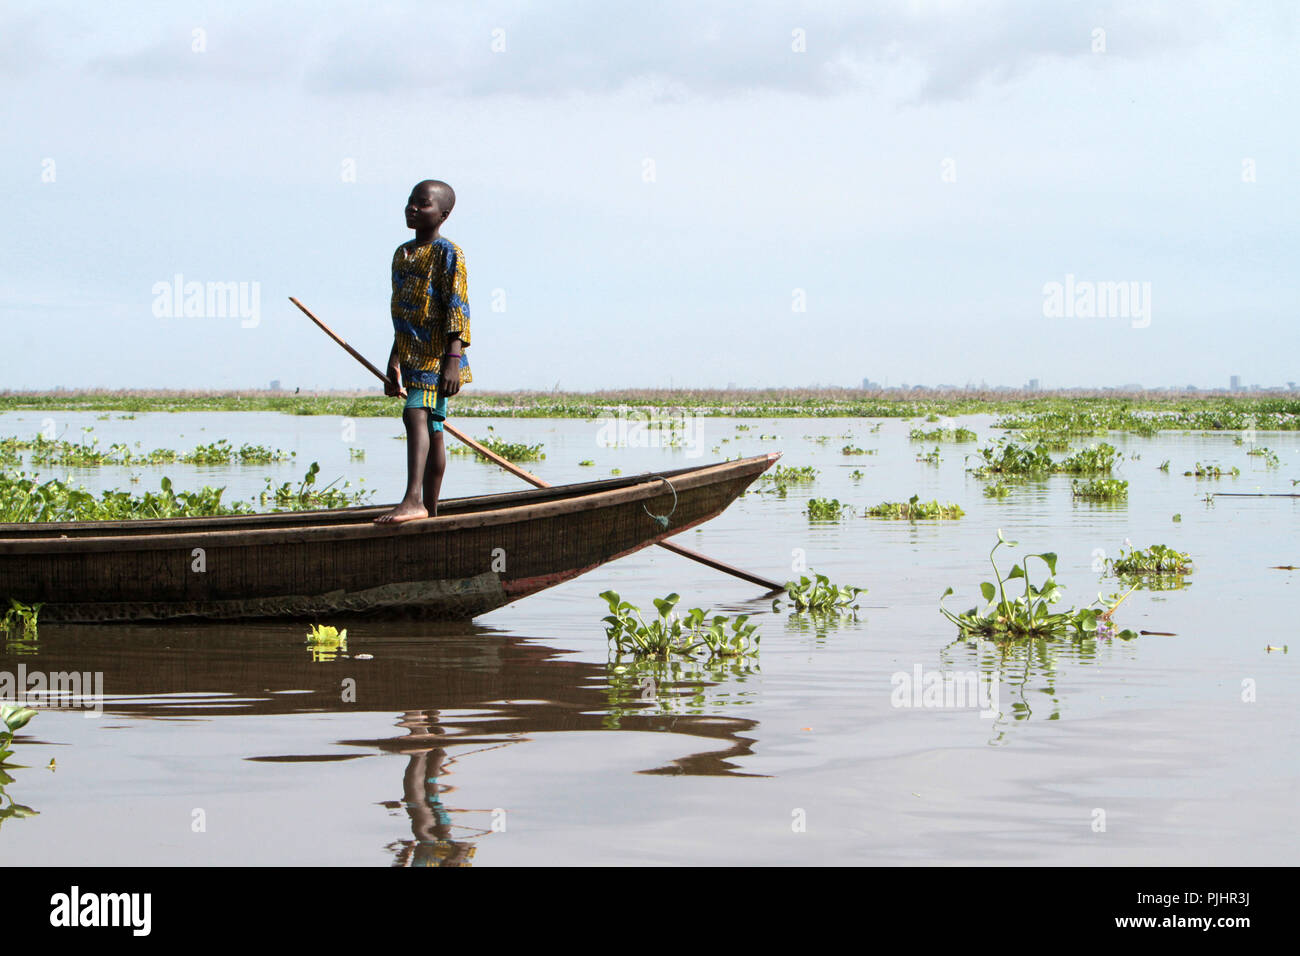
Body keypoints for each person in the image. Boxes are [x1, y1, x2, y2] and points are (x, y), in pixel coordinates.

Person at [375, 179, 472, 524]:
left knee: (414, 414)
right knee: (433, 427)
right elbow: (404, 314)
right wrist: (394, 361)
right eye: (410, 201)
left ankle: (413, 499)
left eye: (423, 204)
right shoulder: (401, 255)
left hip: (439, 355)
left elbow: (457, 309)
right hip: (411, 353)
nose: (413, 208)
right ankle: (431, 513)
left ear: (443, 214)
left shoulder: (449, 253)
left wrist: (453, 361)